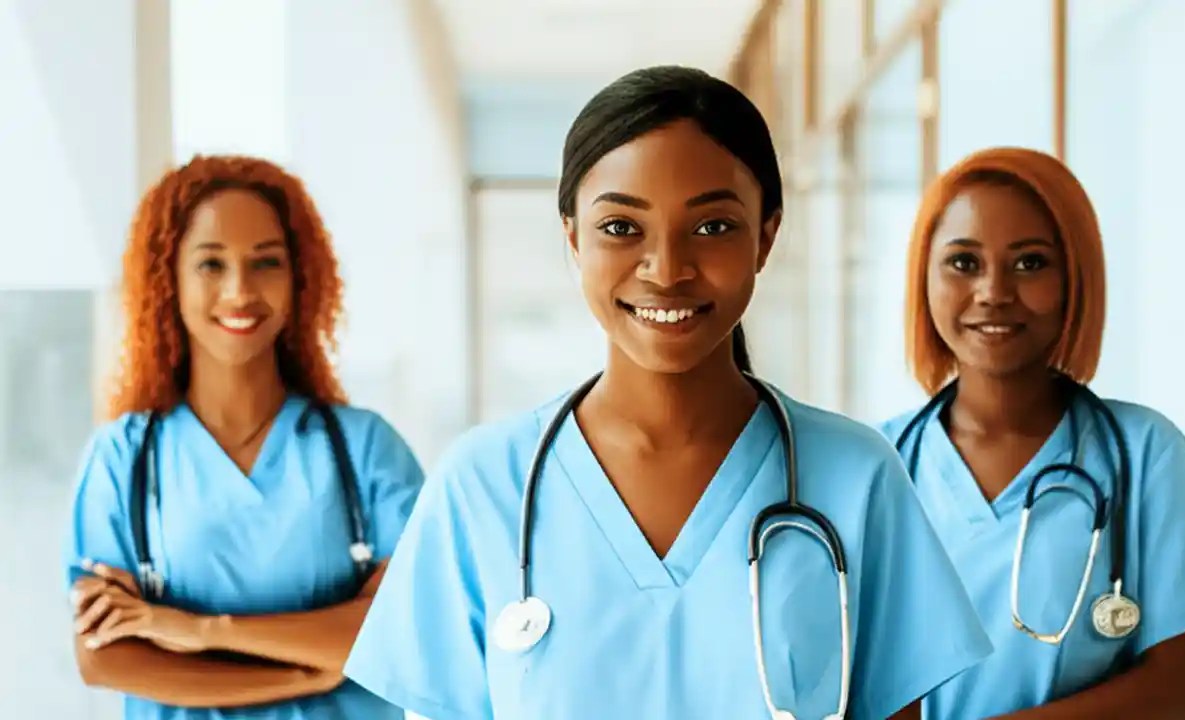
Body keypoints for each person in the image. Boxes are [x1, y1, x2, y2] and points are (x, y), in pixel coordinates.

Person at [343, 65, 992, 720]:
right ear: (572, 237)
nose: (668, 270)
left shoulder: (857, 476)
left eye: (712, 228)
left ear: (767, 235)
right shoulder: (480, 487)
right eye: (622, 228)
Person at [879, 146, 1185, 719]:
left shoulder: (1146, 454)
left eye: (1030, 263)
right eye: (963, 263)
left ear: (1075, 277)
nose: (994, 292)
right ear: (923, 277)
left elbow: (1173, 695)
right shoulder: (874, 465)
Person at [62, 155, 425, 719]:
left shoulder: (367, 451)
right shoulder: (122, 458)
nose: (239, 290)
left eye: (266, 263)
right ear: (168, 281)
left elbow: (403, 633)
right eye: (210, 264)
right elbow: (106, 658)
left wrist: (194, 630)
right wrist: (310, 670)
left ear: (299, 277)